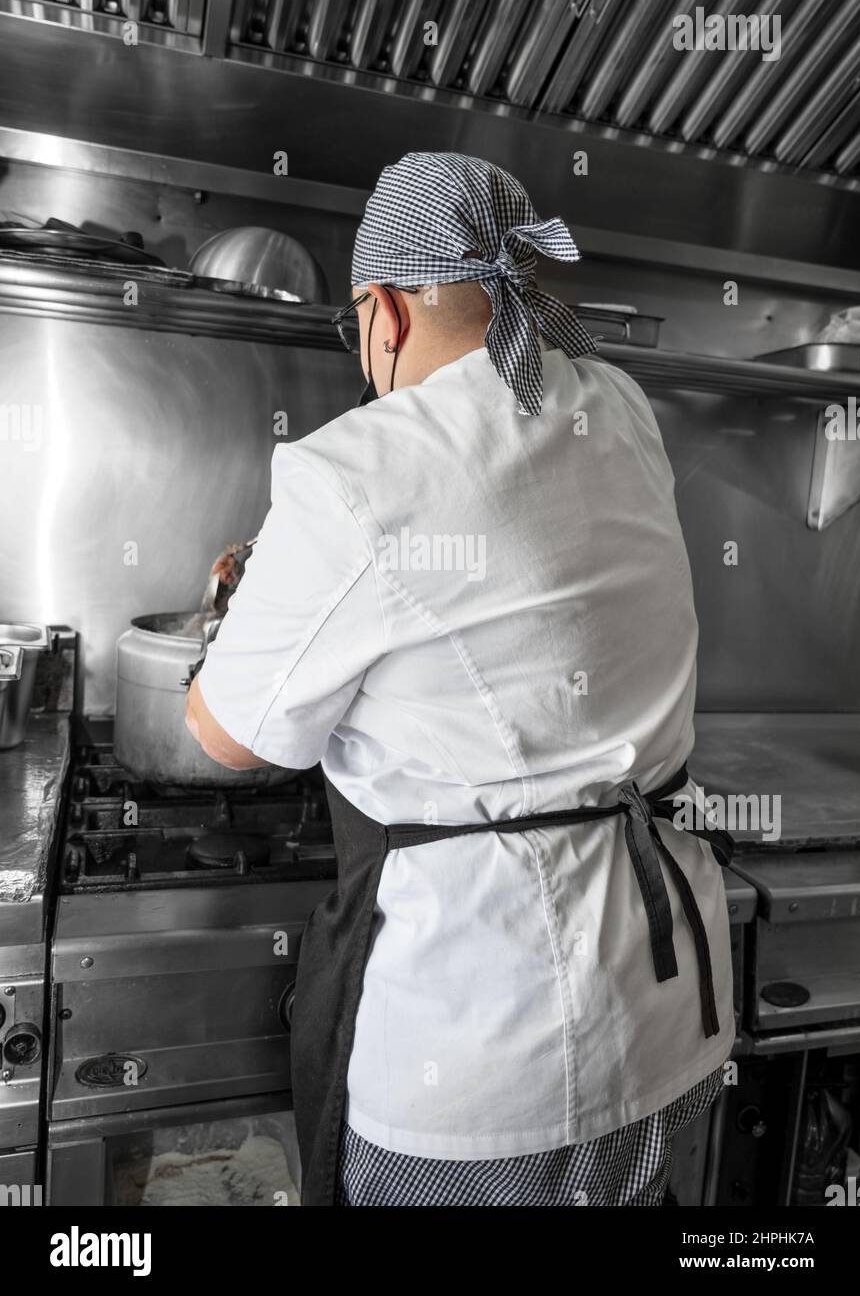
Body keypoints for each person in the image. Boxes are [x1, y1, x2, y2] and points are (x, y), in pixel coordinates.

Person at [185, 151, 736, 1207]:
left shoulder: (358, 465)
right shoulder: (622, 409)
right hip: (670, 1020)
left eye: (359, 327)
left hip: (479, 1068)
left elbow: (230, 735)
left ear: (383, 312)